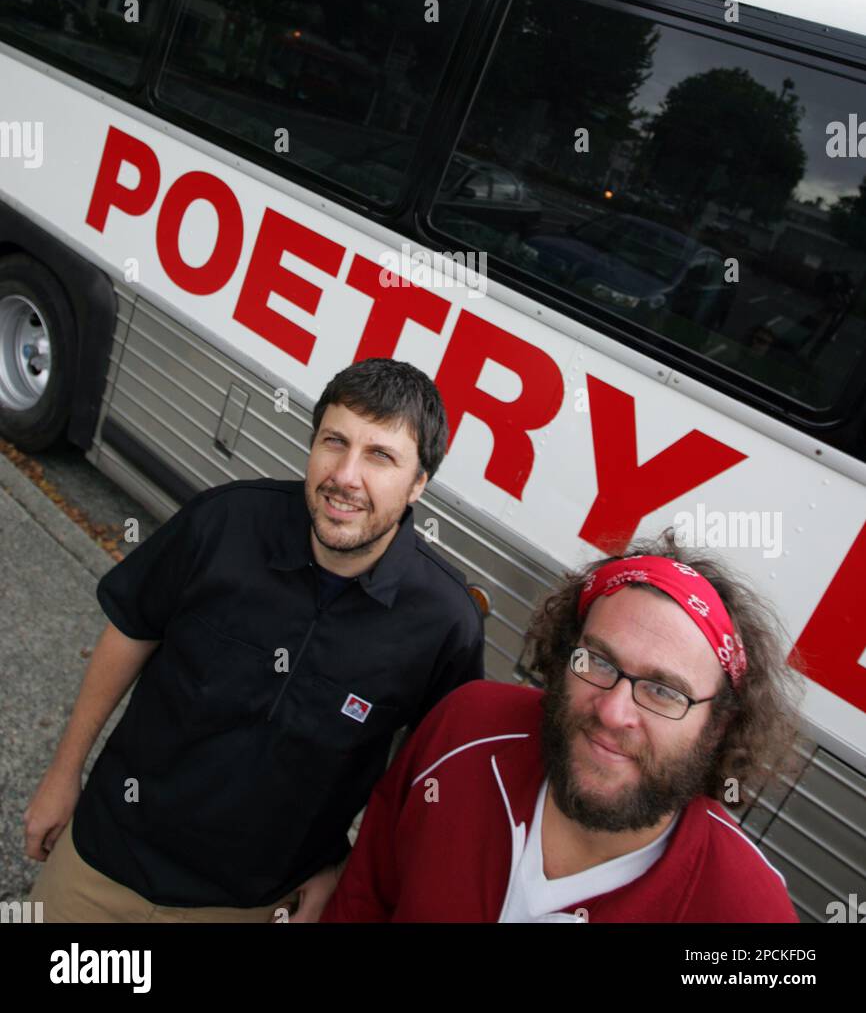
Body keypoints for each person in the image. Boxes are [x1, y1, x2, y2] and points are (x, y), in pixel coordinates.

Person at [25, 358, 485, 922]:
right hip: (104, 860)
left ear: (418, 484)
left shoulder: (445, 622)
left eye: (380, 456)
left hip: (249, 906)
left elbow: (428, 777)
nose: (345, 476)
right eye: (334, 442)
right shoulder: (224, 521)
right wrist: (62, 772)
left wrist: (347, 869)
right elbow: (131, 630)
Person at [321, 537, 804, 922]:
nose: (613, 711)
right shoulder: (467, 726)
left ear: (718, 725)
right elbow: (366, 892)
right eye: (598, 661)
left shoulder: (746, 907)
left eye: (663, 691)